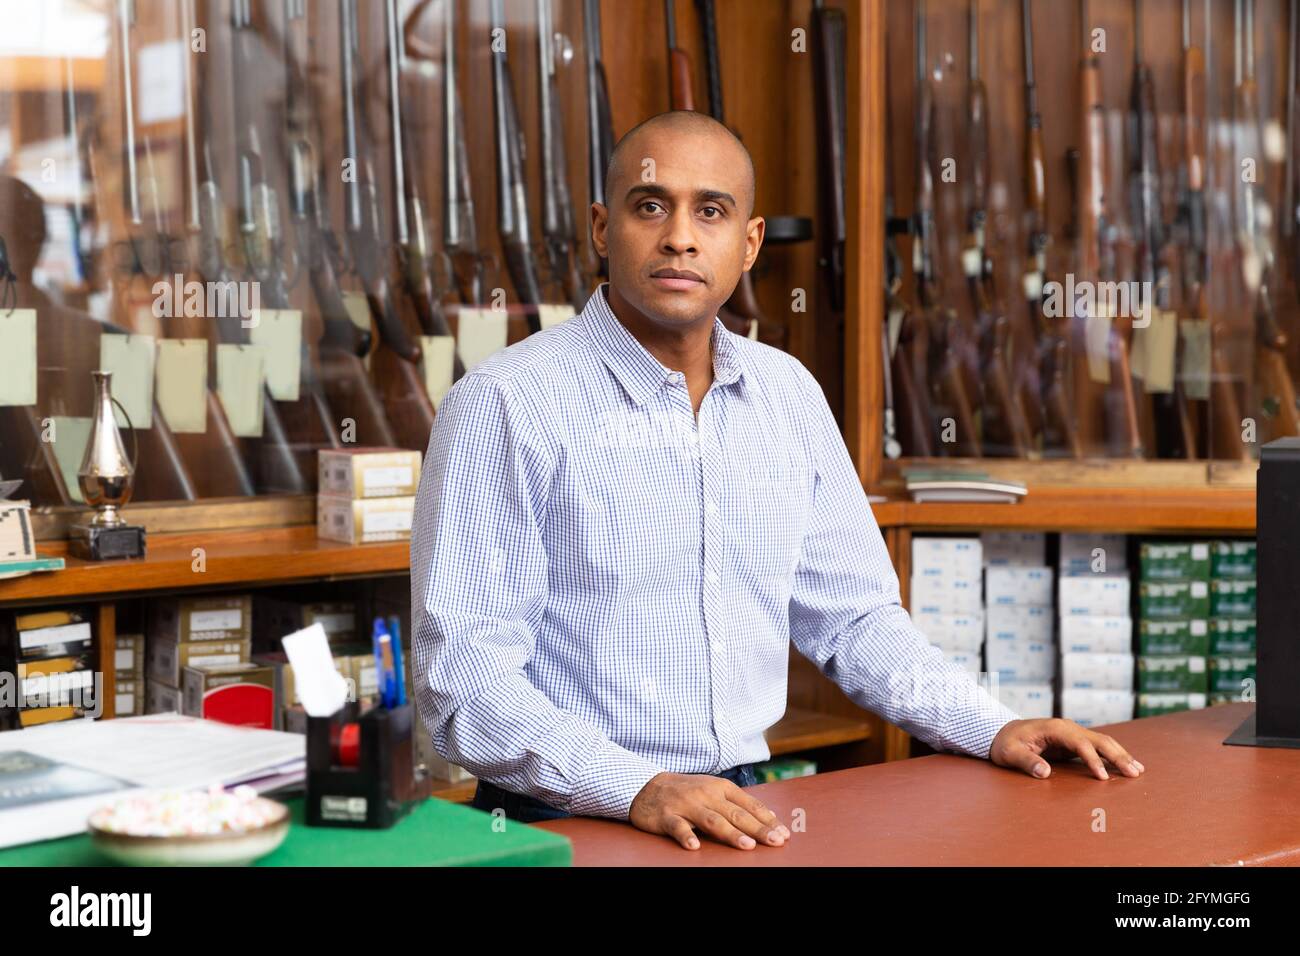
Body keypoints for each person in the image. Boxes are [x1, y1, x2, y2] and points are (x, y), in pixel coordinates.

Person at [410, 110, 1144, 853]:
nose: (681, 238)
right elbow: (465, 681)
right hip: (563, 821)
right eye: (650, 206)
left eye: (712, 211)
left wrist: (991, 726)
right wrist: (634, 786)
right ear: (602, 228)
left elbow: (855, 621)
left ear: (750, 242)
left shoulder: (787, 394)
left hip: (739, 813)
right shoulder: (504, 403)